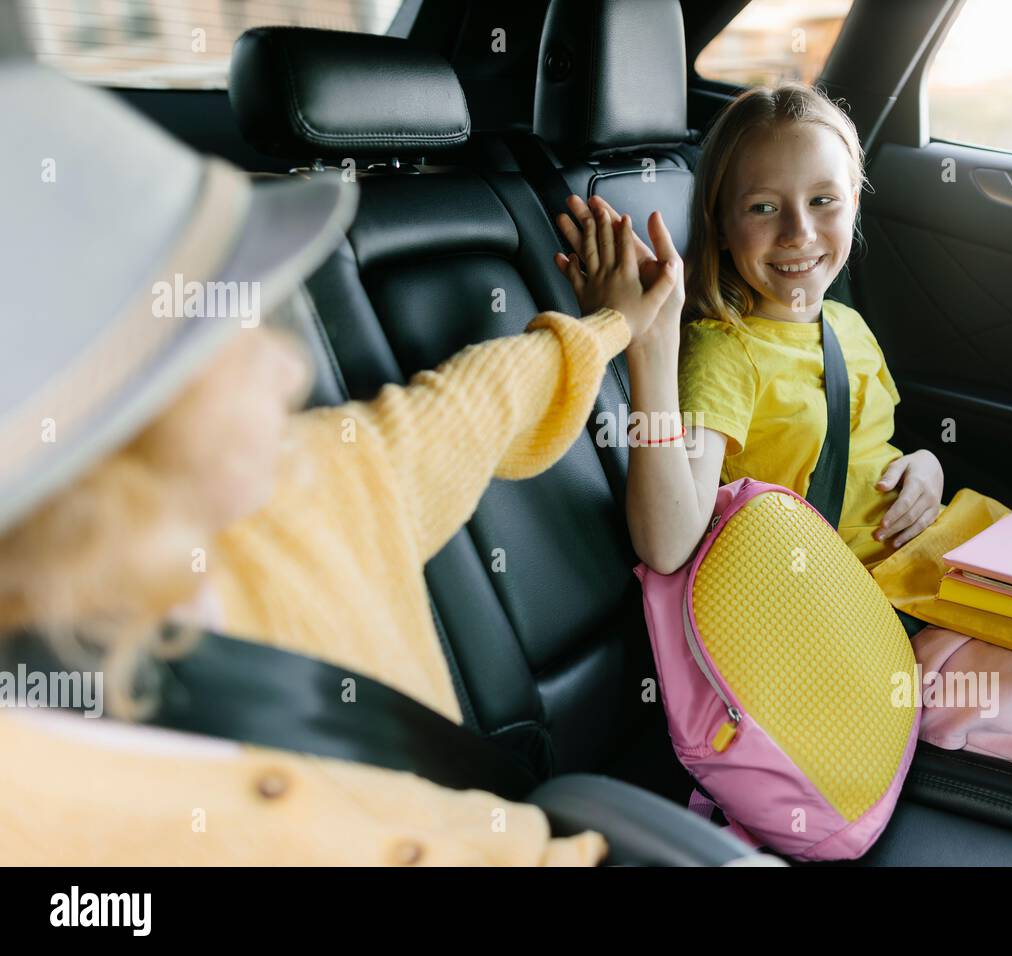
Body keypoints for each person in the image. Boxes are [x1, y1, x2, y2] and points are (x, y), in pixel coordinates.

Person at [552, 82, 1012, 866]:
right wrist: (650, 342)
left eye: (824, 200)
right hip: (898, 642)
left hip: (967, 568)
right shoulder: (722, 354)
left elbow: (865, 452)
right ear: (722, 223)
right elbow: (668, 541)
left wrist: (925, 466)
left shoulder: (843, 326)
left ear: (856, 203)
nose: (800, 231)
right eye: (764, 207)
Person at [0, 40, 677, 865]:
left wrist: (617, 328)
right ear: (108, 422)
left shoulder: (322, 478)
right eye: (234, 333)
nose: (291, 370)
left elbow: (476, 403)